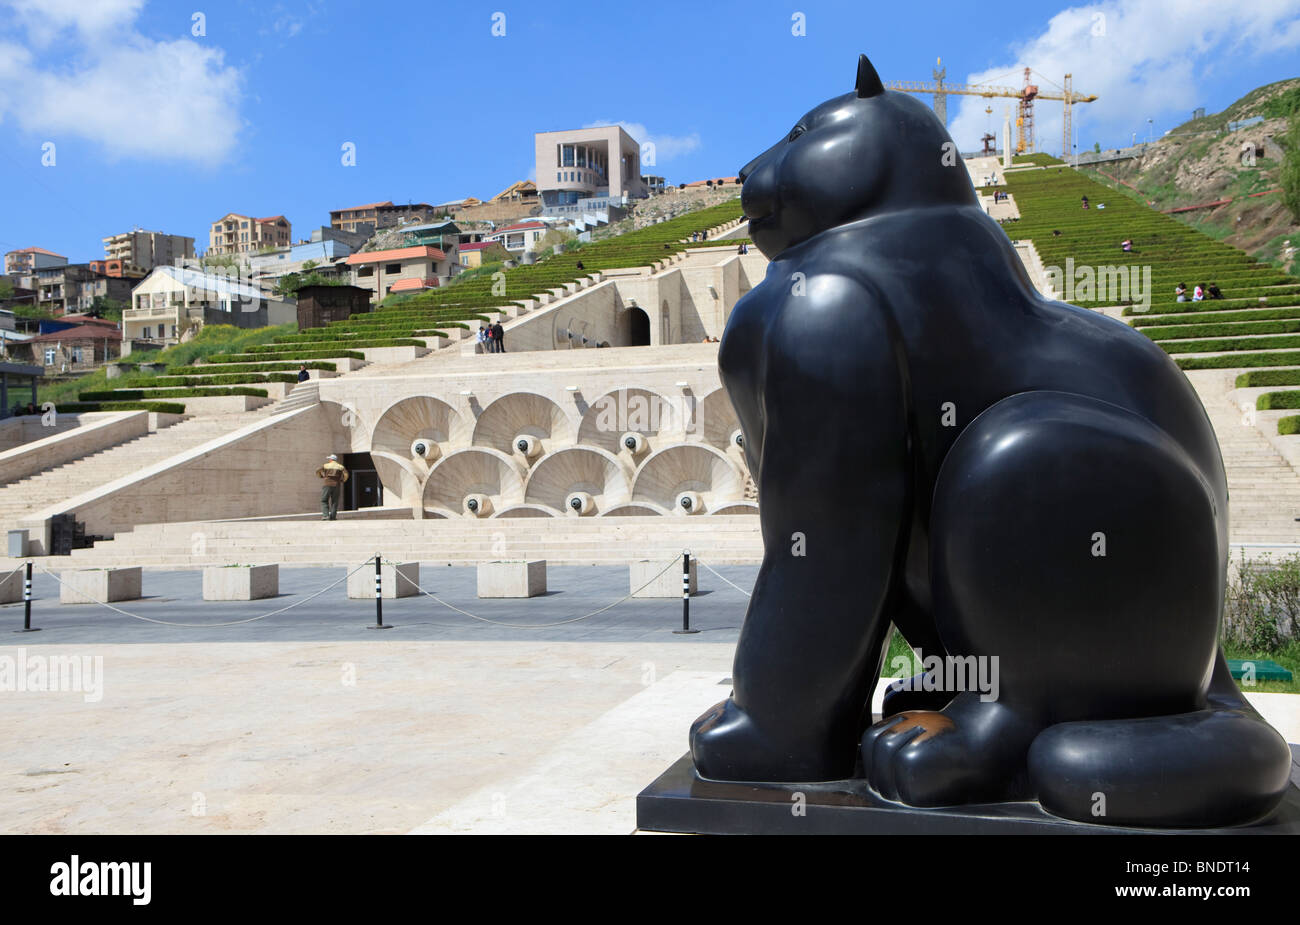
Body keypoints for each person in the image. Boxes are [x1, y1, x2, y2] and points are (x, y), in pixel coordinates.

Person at [316, 454, 348, 521]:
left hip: (327, 484)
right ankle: (333, 517)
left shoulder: (326, 465)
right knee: (335, 501)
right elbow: (346, 475)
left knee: (324, 500)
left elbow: (317, 470)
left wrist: (321, 476)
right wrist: (342, 480)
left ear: (331, 459)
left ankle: (326, 516)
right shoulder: (341, 467)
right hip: (336, 485)